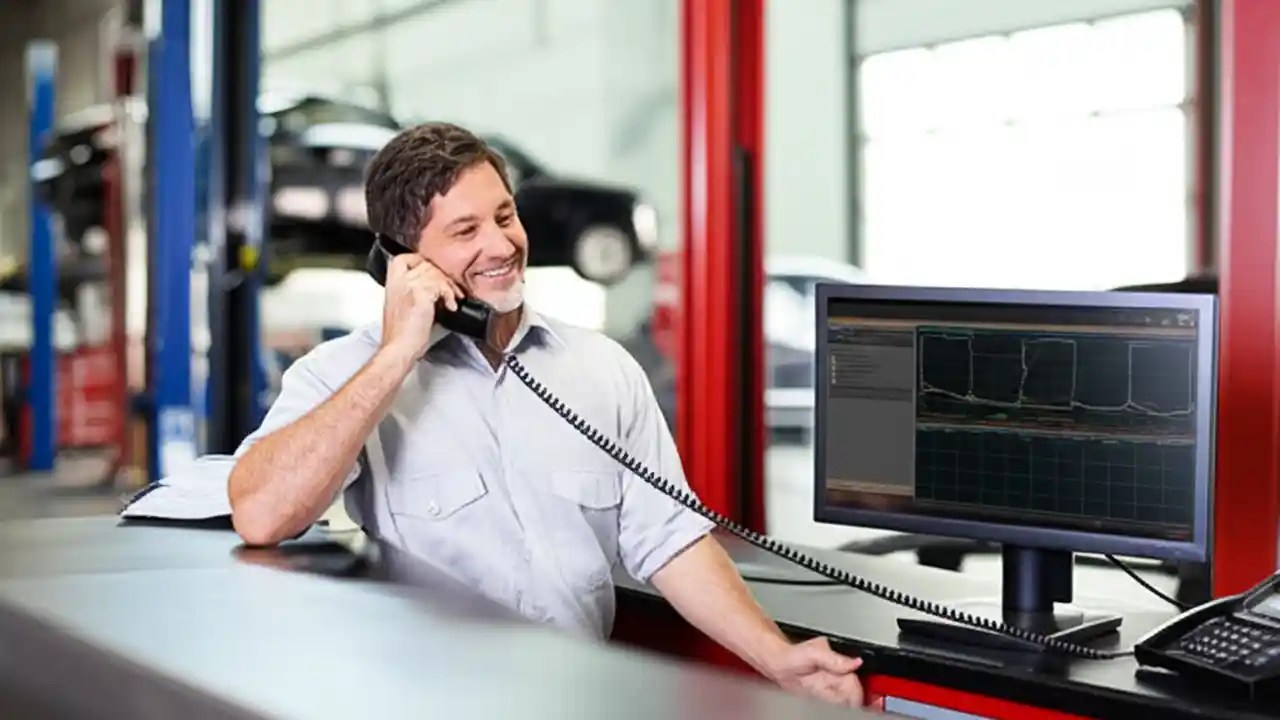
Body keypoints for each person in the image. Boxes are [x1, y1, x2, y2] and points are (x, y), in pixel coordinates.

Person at [227, 122, 867, 708]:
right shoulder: (349, 376)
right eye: (466, 231)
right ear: (403, 263)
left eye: (505, 216)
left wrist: (777, 658)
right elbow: (261, 513)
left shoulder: (599, 366)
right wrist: (398, 354)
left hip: (581, 700)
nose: (502, 244)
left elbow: (668, 538)